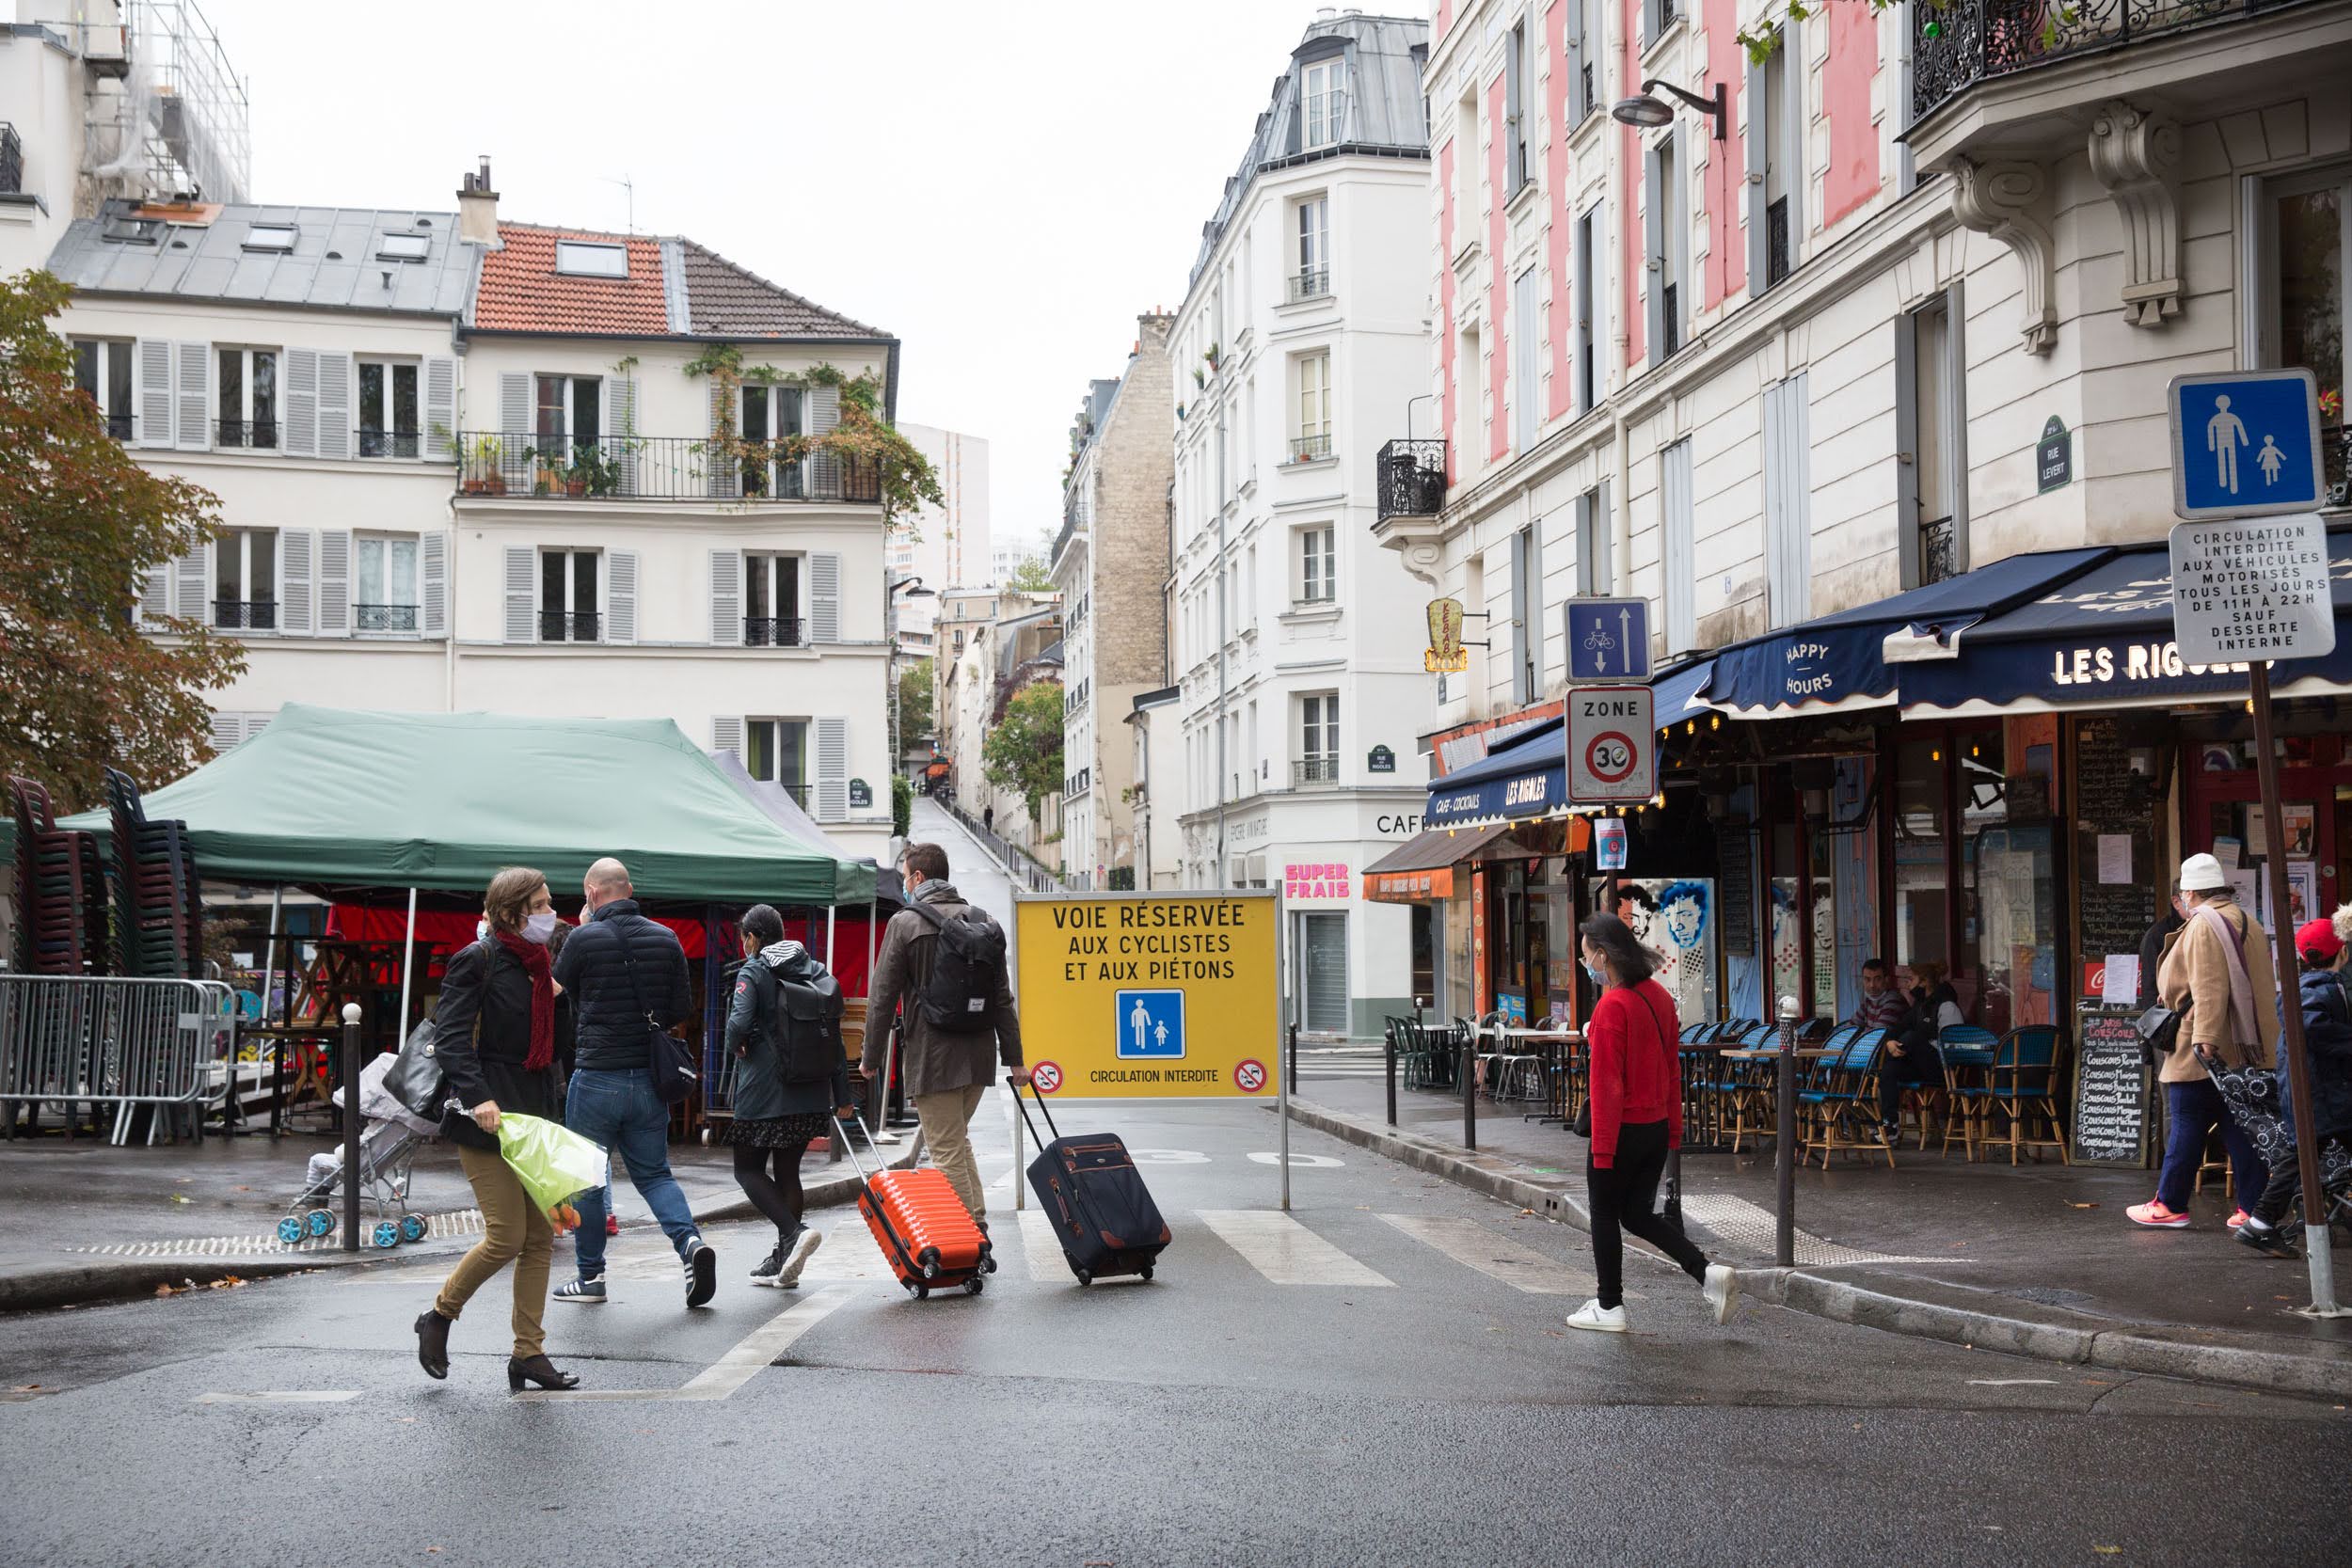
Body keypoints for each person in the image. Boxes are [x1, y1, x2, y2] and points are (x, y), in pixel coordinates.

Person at [415, 867, 579, 1392]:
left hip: (534, 1115)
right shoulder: (476, 960)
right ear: (512, 911)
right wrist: (478, 1096)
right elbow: (452, 1040)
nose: (550, 913)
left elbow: (559, 1048)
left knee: (538, 1238)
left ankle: (528, 1354)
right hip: (486, 1116)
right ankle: (439, 1315)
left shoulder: (539, 965)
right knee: (506, 1235)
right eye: (541, 905)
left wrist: (558, 998)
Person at [552, 857, 716, 1307]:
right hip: (648, 1078)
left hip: (595, 1077)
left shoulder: (583, 939)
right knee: (655, 1175)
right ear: (629, 889)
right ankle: (690, 1245)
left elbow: (555, 991)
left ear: (591, 893)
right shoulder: (666, 938)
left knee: (587, 1180)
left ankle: (590, 1278)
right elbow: (680, 1007)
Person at [1564, 913, 1739, 1334]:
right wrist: (1673, 1130)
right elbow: (1670, 1070)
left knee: (1604, 1212)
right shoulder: (1659, 998)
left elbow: (1607, 1087)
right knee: (1637, 1214)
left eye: (1586, 955)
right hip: (1655, 1127)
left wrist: (1602, 1151)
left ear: (1602, 956)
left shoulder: (1610, 1007)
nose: (1584, 962)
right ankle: (1707, 1273)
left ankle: (1609, 1306)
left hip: (1620, 1131)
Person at [863, 841, 1026, 1227]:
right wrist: (1015, 1059)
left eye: (905, 877)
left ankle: (969, 1236)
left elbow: (882, 997)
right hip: (979, 1055)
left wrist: (870, 1058)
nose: (904, 885)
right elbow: (1002, 999)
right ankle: (978, 1220)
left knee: (945, 1149)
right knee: (956, 1140)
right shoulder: (984, 921)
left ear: (918, 877)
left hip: (933, 1057)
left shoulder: (905, 923)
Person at [2132, 852, 2278, 1229]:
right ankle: (2253, 1206)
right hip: (2246, 1043)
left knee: (2185, 1119)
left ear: (2190, 892)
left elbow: (2209, 986)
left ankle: (2169, 1204)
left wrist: (2205, 1040)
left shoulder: (2202, 924)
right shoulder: (2248, 921)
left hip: (2204, 1042)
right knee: (2237, 1123)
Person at [724, 904, 855, 1288]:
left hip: (764, 1092)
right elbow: (835, 1038)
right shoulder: (816, 971)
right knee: (787, 1172)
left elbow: (738, 1023)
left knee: (746, 1169)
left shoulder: (754, 971)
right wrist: (842, 1094)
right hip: (810, 1092)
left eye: (743, 937)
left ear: (751, 938)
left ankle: (793, 1234)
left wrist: (737, 1044)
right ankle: (785, 1262)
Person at [2235, 918, 2352, 1257]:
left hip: (2317, 1092)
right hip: (2322, 1094)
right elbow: (2312, 1028)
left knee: (2299, 1156)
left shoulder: (2310, 984)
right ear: (2343, 951)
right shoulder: (2320, 988)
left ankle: (2259, 1224)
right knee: (2299, 1155)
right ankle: (2259, 1224)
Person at [1876, 960, 1957, 1138]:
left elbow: (1952, 1044)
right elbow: (1898, 1028)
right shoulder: (1919, 1006)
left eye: (1911, 978)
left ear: (1925, 981)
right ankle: (1890, 1124)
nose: (1907, 983)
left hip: (1942, 1068)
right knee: (1889, 1068)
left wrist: (1911, 1043)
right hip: (1920, 1066)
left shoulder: (1947, 1005)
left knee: (1911, 1037)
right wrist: (1890, 1041)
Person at [1847, 957, 1909, 1034]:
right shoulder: (1869, 1000)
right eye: (1867, 979)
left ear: (1886, 979)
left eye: (1877, 979)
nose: (1872, 985)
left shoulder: (1894, 1001)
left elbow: (1876, 1035)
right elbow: (1849, 1028)